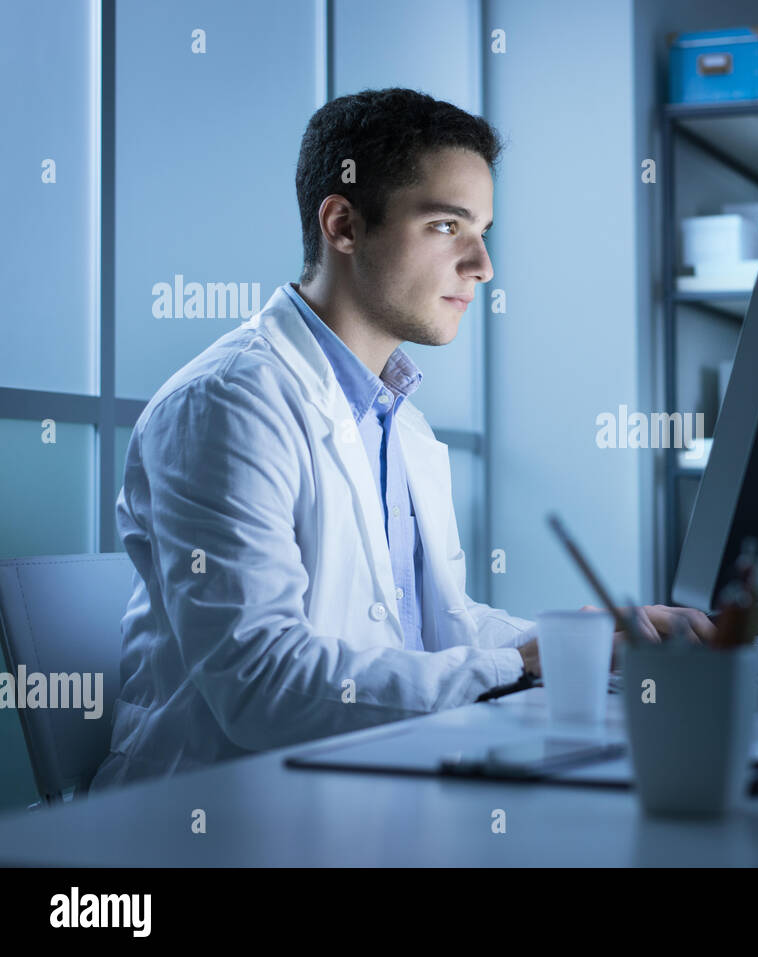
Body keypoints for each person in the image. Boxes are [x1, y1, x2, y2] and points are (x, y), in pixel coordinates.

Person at [91, 89, 713, 790]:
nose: (483, 265)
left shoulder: (399, 420)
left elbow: (434, 632)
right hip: (218, 815)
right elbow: (262, 685)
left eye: (483, 230)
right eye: (448, 225)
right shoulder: (227, 405)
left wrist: (584, 641)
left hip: (364, 784)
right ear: (344, 224)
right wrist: (526, 663)